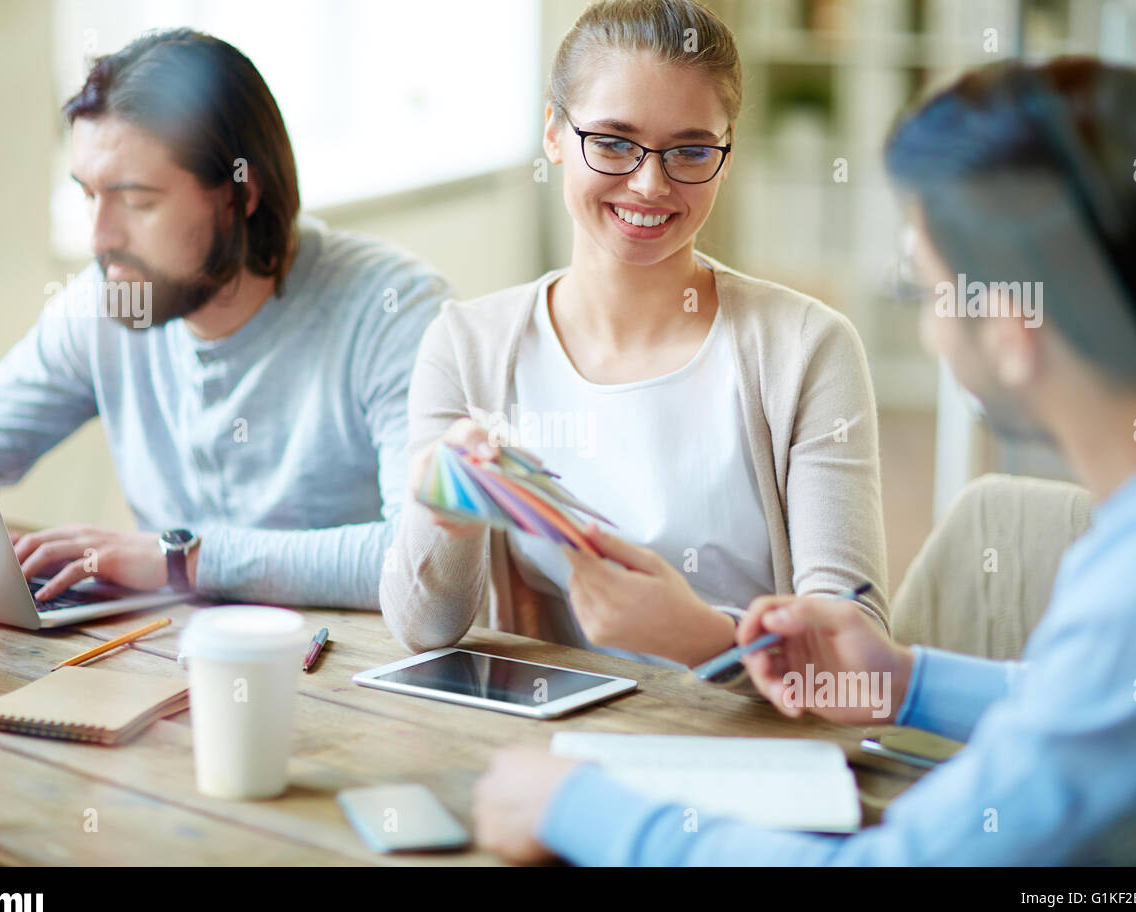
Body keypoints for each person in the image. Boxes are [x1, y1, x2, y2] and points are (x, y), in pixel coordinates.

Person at [471, 56, 1136, 865]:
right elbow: (1101, 707)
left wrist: (584, 809)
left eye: (921, 287)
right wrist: (907, 682)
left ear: (1009, 330)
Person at [379, 0, 888, 678]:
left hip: (755, 748)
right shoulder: (467, 347)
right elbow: (425, 631)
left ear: (726, 151)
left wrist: (702, 637)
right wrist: (445, 511)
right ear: (554, 133)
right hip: (555, 746)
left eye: (690, 150)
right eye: (614, 141)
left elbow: (856, 654)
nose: (650, 183)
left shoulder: (806, 348)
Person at [0, 29, 449, 607]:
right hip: (171, 660)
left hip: (345, 673)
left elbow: (425, 567)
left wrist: (182, 558)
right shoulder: (104, 302)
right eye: (88, 195)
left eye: (138, 201)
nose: (100, 238)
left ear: (241, 194)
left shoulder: (393, 311)